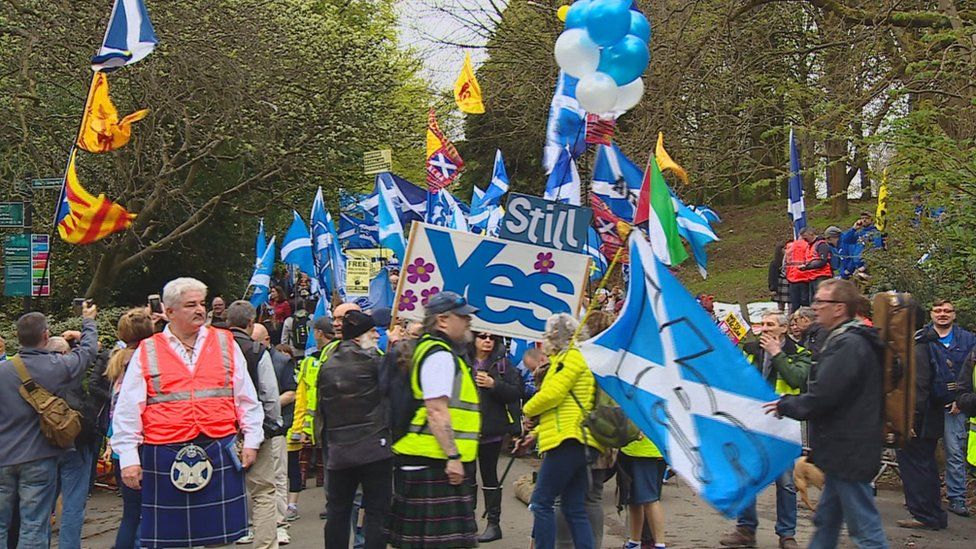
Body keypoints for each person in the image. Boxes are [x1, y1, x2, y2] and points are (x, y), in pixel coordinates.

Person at [112, 277, 264, 548]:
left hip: (218, 445)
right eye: (190, 304)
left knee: (220, 540)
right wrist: (129, 458)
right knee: (170, 543)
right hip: (164, 451)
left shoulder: (225, 342)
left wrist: (252, 440)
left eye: (202, 303)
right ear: (169, 311)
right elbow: (127, 410)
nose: (200, 310)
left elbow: (246, 398)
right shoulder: (148, 350)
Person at [764, 279, 889, 549]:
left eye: (821, 302)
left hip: (849, 451)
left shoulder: (848, 345)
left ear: (840, 308)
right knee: (826, 523)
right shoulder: (855, 339)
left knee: (866, 532)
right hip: (843, 450)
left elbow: (823, 396)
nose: (815, 307)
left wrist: (785, 405)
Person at [386, 291, 481, 548]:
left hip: (427, 458)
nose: (469, 322)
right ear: (442, 320)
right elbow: (436, 411)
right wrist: (453, 456)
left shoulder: (433, 350)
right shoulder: (439, 355)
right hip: (433, 460)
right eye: (463, 317)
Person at [0, 304, 98, 548]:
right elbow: (87, 354)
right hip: (39, 457)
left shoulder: (3, 371)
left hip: (3, 457)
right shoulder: (56, 366)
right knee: (34, 524)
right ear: (45, 335)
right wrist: (88, 322)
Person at [721, 311, 811, 549]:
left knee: (786, 482)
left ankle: (787, 534)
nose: (765, 328)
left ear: (784, 329)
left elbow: (796, 380)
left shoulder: (799, 353)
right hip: (753, 422)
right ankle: (745, 529)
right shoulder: (751, 350)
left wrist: (777, 353)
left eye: (770, 324)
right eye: (762, 324)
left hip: (783, 425)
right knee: (747, 475)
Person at [519, 313, 602, 549]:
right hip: (579, 439)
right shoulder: (576, 357)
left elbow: (553, 396)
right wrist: (535, 433)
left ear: (554, 336)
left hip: (566, 439)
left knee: (541, 502)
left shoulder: (569, 358)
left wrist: (527, 410)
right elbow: (563, 406)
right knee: (573, 507)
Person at [319, 310, 392, 549]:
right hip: (374, 448)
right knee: (377, 512)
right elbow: (391, 392)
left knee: (337, 512)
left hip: (339, 451)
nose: (377, 335)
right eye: (372, 331)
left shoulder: (327, 365)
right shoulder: (374, 362)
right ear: (360, 336)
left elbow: (322, 409)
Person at [292, 302, 359, 519]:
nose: (336, 324)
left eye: (341, 319)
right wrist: (307, 427)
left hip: (358, 430)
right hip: (330, 427)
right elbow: (312, 396)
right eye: (335, 320)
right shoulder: (324, 355)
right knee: (333, 477)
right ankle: (337, 509)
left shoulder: (370, 352)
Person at [227, 300, 284, 548]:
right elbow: (269, 394)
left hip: (219, 429)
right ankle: (264, 544)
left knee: (223, 490)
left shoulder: (214, 348)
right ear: (251, 323)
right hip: (253, 429)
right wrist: (273, 423)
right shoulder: (256, 351)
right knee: (263, 491)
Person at [103, 309, 155, 549]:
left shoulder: (117, 359)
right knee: (148, 511)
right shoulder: (147, 361)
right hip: (141, 443)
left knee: (130, 512)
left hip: (119, 444)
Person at [895, 306, 951, 530]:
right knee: (925, 465)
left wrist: (910, 419)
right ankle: (932, 513)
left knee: (917, 466)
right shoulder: (928, 343)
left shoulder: (918, 348)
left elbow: (918, 387)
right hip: (929, 416)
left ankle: (924, 514)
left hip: (921, 420)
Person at [920, 299, 975, 517]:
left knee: (954, 453)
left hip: (954, 407)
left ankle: (957, 498)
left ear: (954, 315)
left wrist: (960, 401)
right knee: (925, 454)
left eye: (947, 311)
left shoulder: (968, 340)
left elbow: (968, 373)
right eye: (938, 310)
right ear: (931, 314)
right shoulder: (921, 338)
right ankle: (924, 498)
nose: (942, 314)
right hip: (927, 405)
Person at [59, 332, 112, 549]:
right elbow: (91, 352)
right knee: (73, 502)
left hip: (43, 447)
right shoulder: (74, 375)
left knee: (39, 506)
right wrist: (85, 329)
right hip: (77, 445)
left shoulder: (32, 373)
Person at [468, 331, 522, 543]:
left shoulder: (503, 364)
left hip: (491, 430)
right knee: (467, 478)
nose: (488, 341)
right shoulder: (463, 360)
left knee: (489, 476)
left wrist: (494, 385)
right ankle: (467, 521)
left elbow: (515, 393)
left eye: (492, 338)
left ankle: (493, 524)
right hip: (466, 431)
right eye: (483, 337)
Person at [284, 317, 334, 522]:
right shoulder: (312, 360)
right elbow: (304, 398)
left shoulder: (329, 357)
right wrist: (301, 429)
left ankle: (336, 505)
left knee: (333, 467)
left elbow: (302, 399)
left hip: (328, 424)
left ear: (319, 333)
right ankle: (334, 504)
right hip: (319, 424)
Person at [253, 324, 298, 535]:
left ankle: (280, 523)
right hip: (253, 427)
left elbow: (291, 393)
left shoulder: (282, 361)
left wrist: (267, 407)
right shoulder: (248, 357)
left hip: (276, 426)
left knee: (278, 475)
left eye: (256, 341)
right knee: (256, 479)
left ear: (267, 340)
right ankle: (257, 524)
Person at [619, 435, 666, 549]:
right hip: (629, 448)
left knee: (650, 499)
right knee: (633, 500)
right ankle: (634, 542)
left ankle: (659, 544)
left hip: (648, 452)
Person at [797, 227, 833, 295]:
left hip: (821, 276)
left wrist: (807, 267)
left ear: (811, 233)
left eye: (805, 236)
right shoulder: (808, 246)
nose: (804, 239)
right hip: (812, 276)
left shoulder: (821, 244)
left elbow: (822, 261)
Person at [784, 237, 812, 313]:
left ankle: (794, 318)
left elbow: (785, 262)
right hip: (805, 277)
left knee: (794, 303)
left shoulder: (789, 246)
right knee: (806, 303)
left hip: (792, 277)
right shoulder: (808, 245)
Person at [768, 242, 790, 312]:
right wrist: (773, 289)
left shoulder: (790, 260)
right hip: (780, 284)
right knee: (780, 304)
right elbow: (772, 276)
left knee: (791, 303)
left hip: (790, 282)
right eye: (784, 248)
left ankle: (791, 316)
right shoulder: (775, 263)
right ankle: (780, 315)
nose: (786, 250)